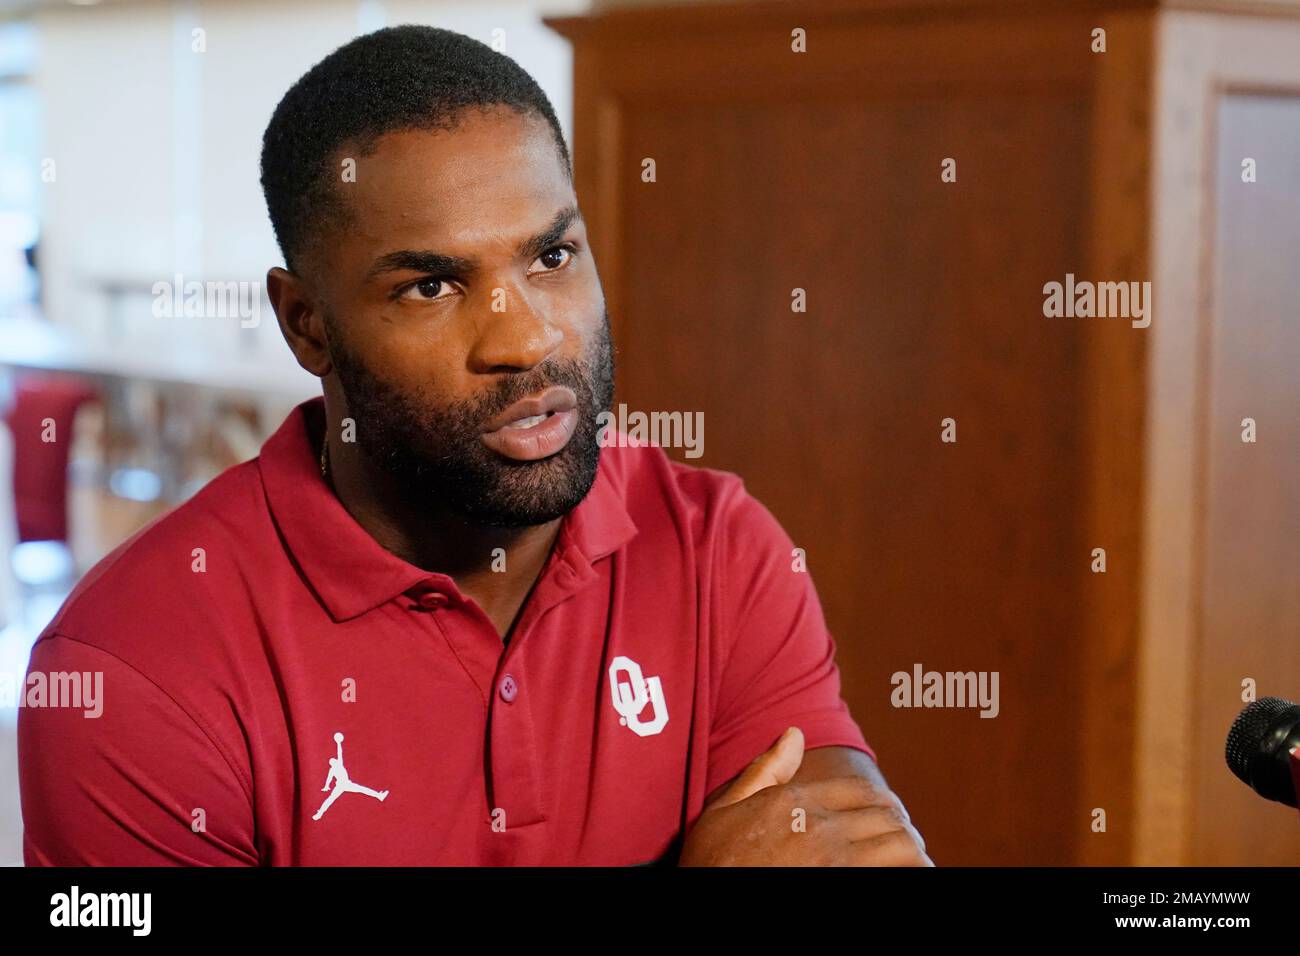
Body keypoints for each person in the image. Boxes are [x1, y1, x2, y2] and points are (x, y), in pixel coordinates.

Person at [18, 25, 930, 866]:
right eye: (431, 287)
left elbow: (839, 842)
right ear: (307, 326)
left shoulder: (718, 551)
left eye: (551, 258)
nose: (525, 340)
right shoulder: (132, 674)